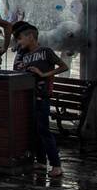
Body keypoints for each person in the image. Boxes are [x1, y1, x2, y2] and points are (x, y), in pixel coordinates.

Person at [12, 22, 68, 178]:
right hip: (31, 97)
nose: (19, 42)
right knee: (36, 131)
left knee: (44, 130)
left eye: (20, 39)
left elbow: (63, 66)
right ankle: (42, 162)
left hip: (42, 97)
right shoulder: (24, 55)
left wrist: (44, 74)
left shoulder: (46, 52)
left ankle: (56, 165)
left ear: (31, 37)